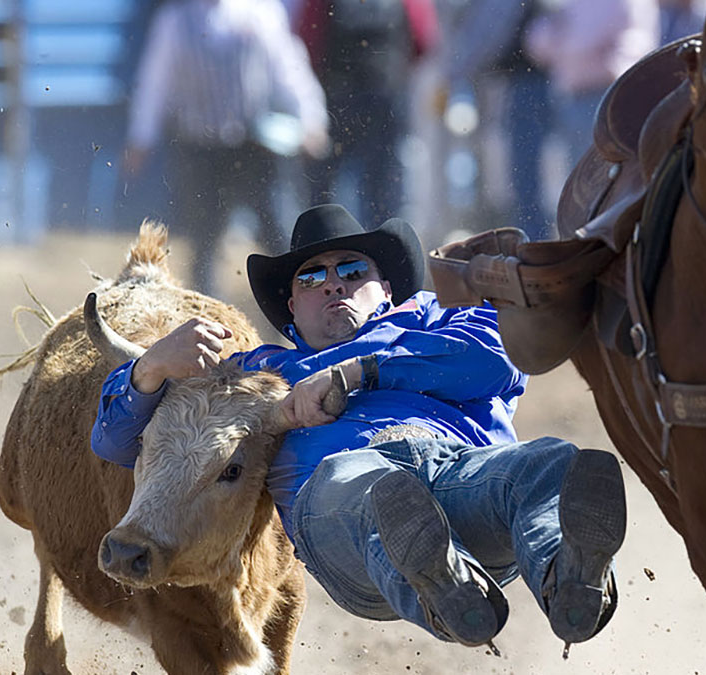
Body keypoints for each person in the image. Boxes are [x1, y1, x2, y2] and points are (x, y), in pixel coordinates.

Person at [90, 203, 627, 650]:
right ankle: (441, 590)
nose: (333, 285)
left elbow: (498, 360)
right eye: (312, 278)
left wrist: (362, 372)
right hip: (342, 512)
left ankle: (568, 581)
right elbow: (116, 441)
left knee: (548, 462)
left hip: (463, 472)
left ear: (387, 288)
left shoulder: (443, 316)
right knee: (373, 488)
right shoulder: (260, 371)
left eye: (351, 271)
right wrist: (149, 368)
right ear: (292, 309)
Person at [123, 0, 329, 297]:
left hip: (254, 148)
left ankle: (297, 316)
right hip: (200, 149)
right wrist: (141, 138)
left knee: (281, 236)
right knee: (204, 243)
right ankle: (209, 323)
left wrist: (311, 119)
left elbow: (288, 69)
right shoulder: (175, 20)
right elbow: (155, 83)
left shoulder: (260, 12)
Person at [296, 0, 436, 227]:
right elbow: (423, 40)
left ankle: (330, 243)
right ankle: (382, 249)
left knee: (329, 187)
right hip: (384, 95)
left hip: (340, 98)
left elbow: (307, 38)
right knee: (383, 189)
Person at [440, 0, 555, 242]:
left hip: (527, 84)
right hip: (539, 82)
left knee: (524, 176)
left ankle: (531, 245)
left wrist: (455, 71)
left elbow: (491, 31)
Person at [524, 0, 659, 169]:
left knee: (605, 171)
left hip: (609, 98)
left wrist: (609, 66)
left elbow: (635, 42)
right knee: (573, 171)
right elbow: (538, 42)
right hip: (569, 98)